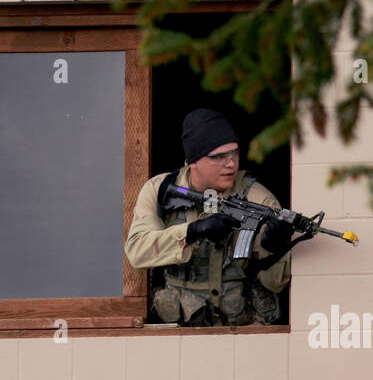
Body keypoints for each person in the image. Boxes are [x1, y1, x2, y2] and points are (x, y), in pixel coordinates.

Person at [125, 109, 293, 326]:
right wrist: (191, 231)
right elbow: (137, 252)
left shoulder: (259, 200)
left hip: (241, 328)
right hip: (178, 326)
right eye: (219, 157)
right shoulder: (160, 190)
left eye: (234, 154)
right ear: (193, 161)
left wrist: (273, 249)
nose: (231, 164)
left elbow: (276, 285)